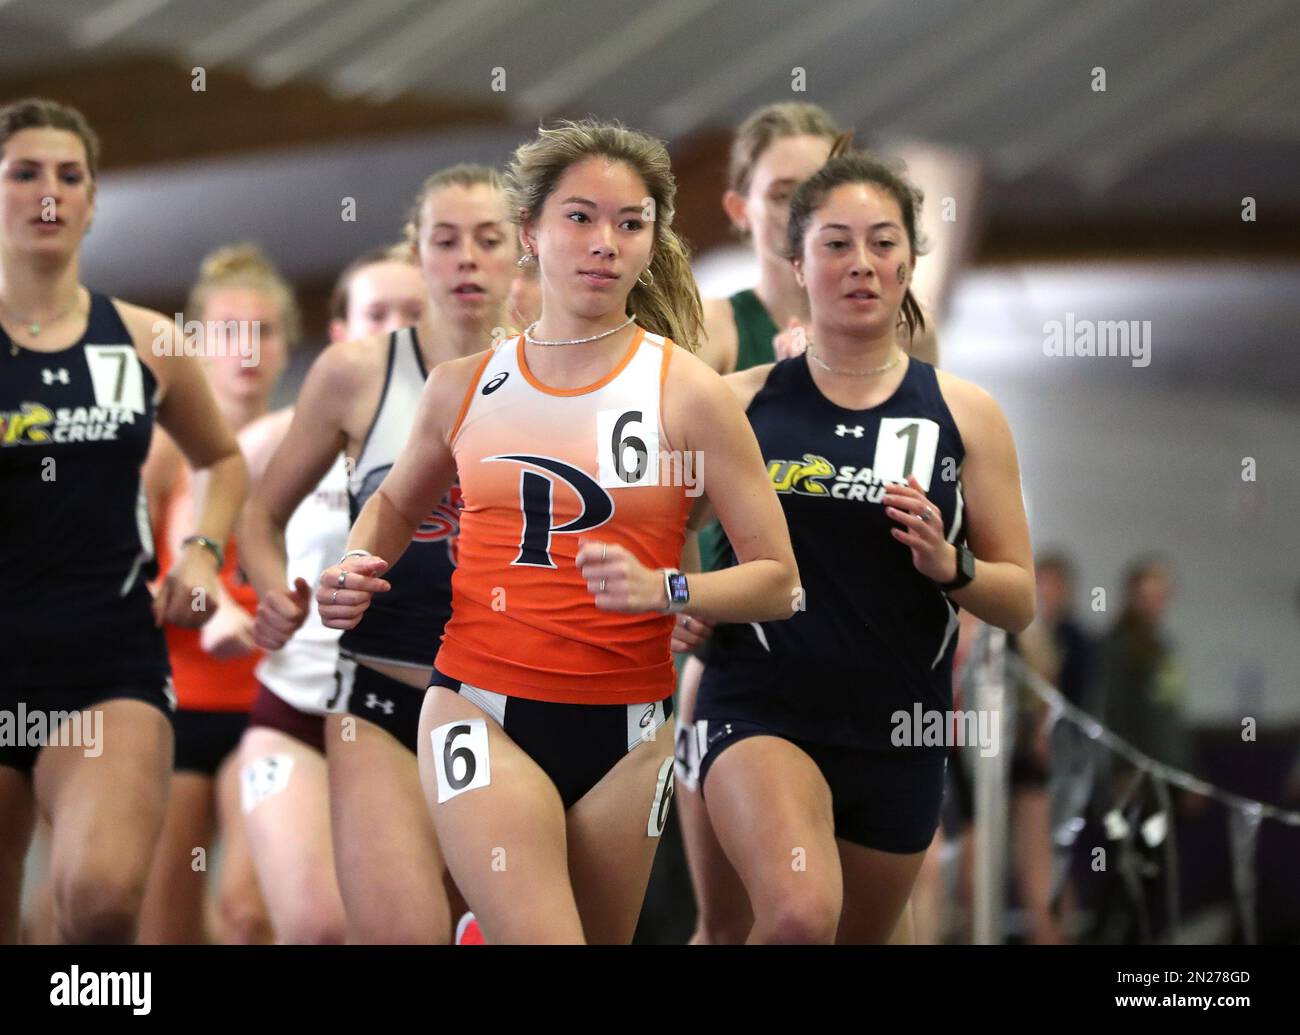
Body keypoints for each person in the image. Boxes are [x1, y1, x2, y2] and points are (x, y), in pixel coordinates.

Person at [320, 117, 801, 944]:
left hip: (630, 729)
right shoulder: (462, 387)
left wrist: (670, 587)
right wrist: (358, 562)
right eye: (580, 217)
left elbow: (779, 580)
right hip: (480, 709)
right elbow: (396, 505)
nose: (604, 242)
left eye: (630, 221)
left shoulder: (689, 392)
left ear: (653, 240)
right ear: (530, 234)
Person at [690, 150, 1035, 943]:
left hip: (899, 726)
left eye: (883, 243)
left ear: (911, 259)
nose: (861, 264)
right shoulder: (738, 401)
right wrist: (680, 595)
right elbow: (663, 522)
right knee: (800, 913)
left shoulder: (967, 413)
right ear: (797, 262)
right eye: (836, 244)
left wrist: (954, 566)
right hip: (761, 705)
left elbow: (1017, 597)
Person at [239, 165, 516, 943]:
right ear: (418, 252)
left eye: (487, 240)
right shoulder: (358, 374)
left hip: (515, 703)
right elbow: (260, 514)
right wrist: (279, 593)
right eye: (446, 240)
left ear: (520, 252)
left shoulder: (560, 369)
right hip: (380, 693)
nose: (466, 258)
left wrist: (674, 598)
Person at [0, 98, 247, 944]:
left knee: (100, 901)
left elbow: (224, 460)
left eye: (69, 176)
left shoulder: (146, 341)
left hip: (106, 657)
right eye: (24, 173)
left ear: (93, 200)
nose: (48, 193)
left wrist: (203, 555)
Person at [676, 101, 843, 945]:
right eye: (784, 192)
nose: (805, 210)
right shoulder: (712, 327)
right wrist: (681, 588)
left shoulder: (889, 339)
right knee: (741, 921)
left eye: (822, 189)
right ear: (740, 208)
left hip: (861, 662)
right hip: (735, 651)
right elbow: (657, 481)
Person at [237, 243, 427, 943]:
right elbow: (213, 542)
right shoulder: (268, 440)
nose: (395, 326)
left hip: (420, 710)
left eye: (414, 312)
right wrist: (254, 599)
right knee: (317, 925)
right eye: (377, 312)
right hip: (296, 709)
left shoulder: (467, 429)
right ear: (341, 332)